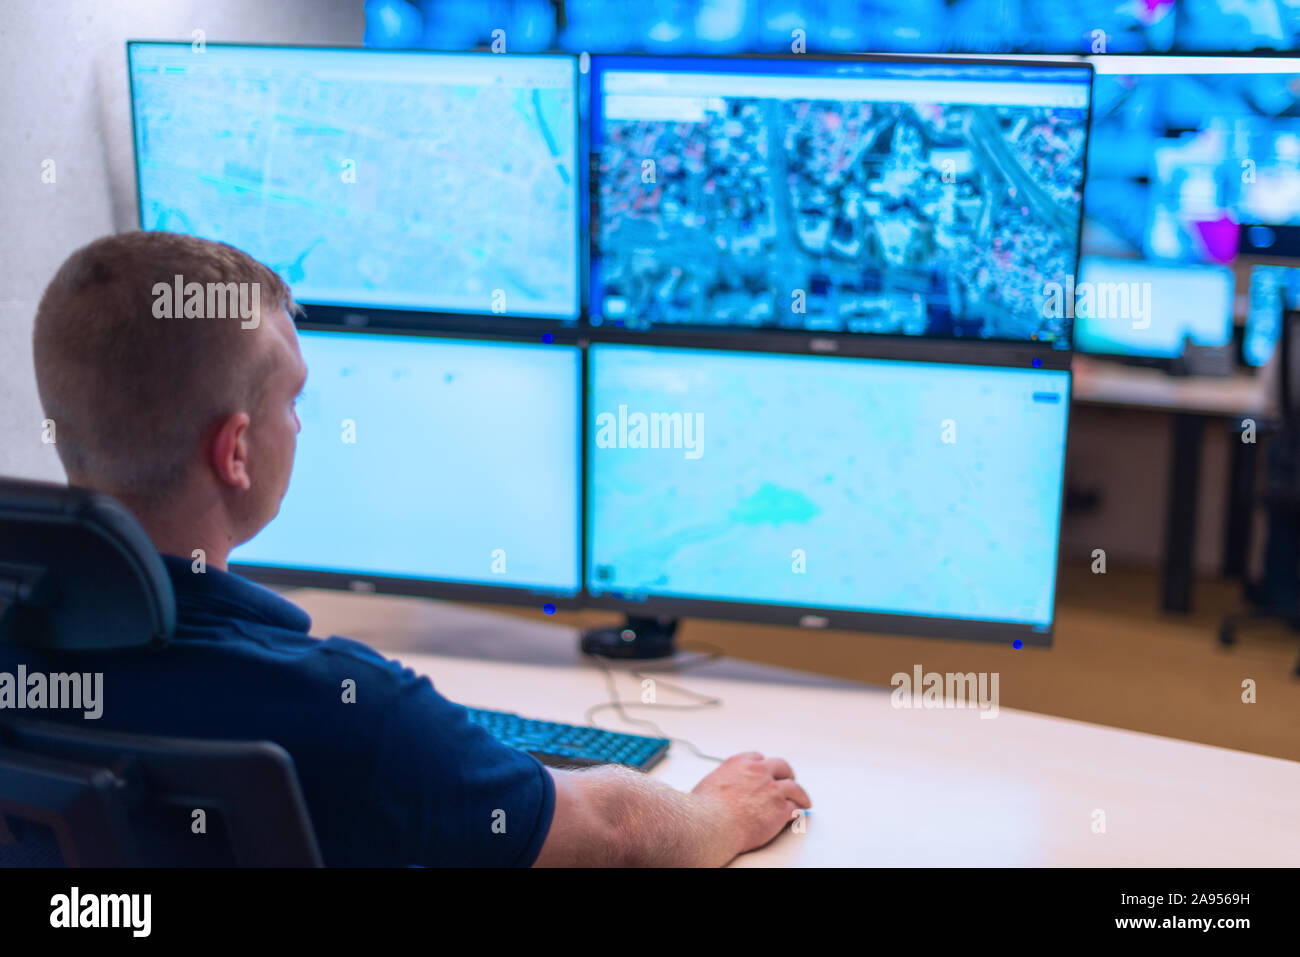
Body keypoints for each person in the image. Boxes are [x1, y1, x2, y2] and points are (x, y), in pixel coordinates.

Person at [16, 231, 811, 866]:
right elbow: (612, 832)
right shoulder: (348, 710)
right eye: (293, 398)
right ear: (235, 451)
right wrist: (718, 810)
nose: (301, 422)